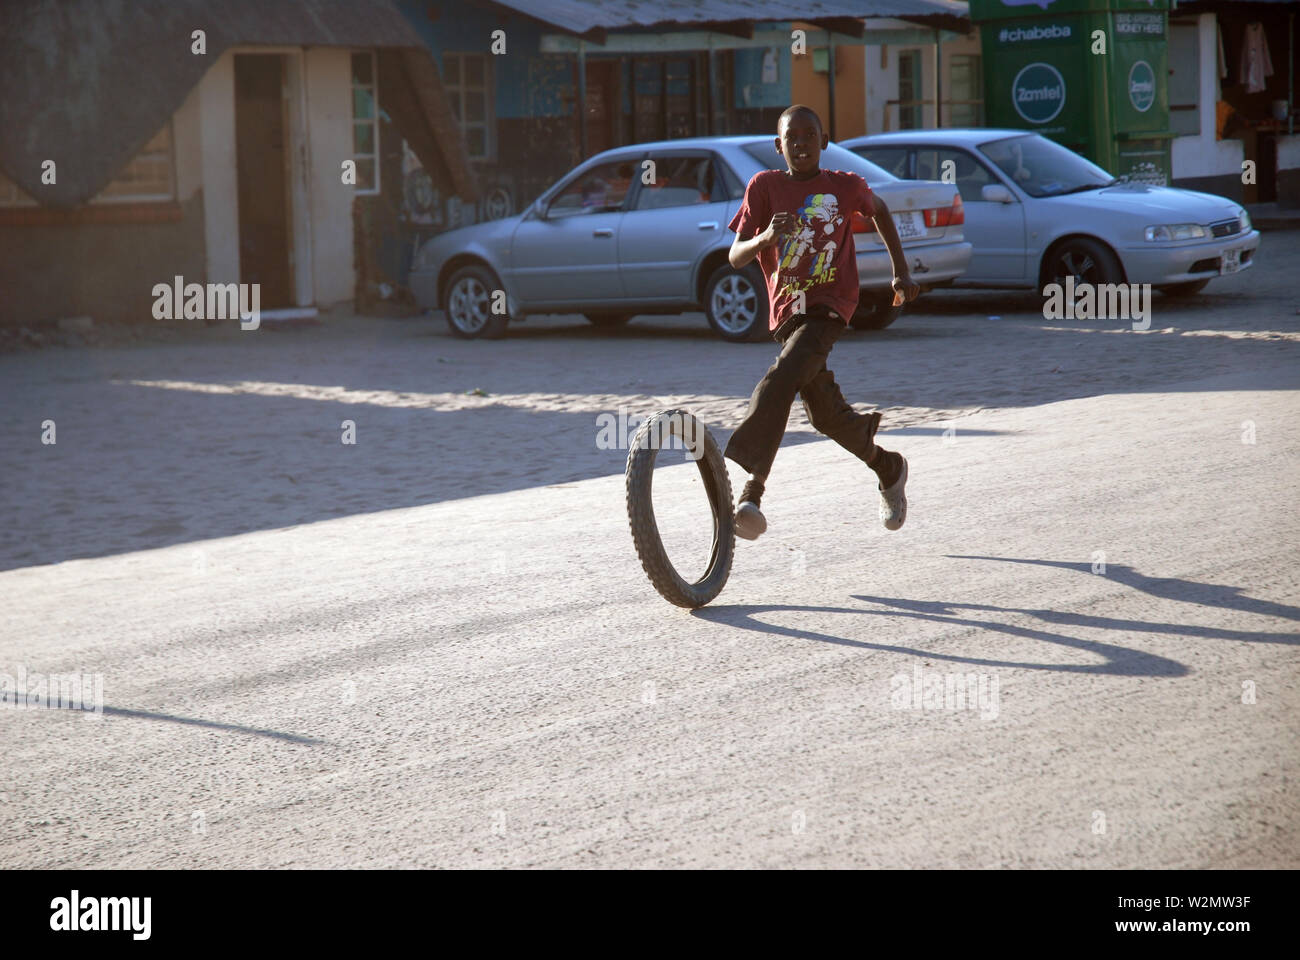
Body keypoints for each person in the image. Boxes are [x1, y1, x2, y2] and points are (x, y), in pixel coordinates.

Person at [724, 104, 919, 540]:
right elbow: (735, 256)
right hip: (786, 312)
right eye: (792, 137)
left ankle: (748, 491)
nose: (801, 143)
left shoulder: (844, 187)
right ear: (779, 146)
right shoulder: (764, 187)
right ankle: (888, 467)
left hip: (831, 304)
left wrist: (900, 272)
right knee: (826, 415)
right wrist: (766, 238)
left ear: (824, 142)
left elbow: (881, 210)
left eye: (810, 135)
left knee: (782, 377)